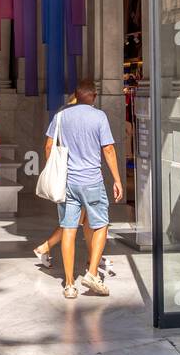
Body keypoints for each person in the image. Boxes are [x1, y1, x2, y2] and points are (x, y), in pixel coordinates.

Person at [43, 79, 123, 299]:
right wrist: (117, 179)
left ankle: (69, 285)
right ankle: (92, 273)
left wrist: (55, 169)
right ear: (94, 97)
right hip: (92, 181)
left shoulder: (60, 116)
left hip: (68, 181)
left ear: (76, 96)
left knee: (68, 229)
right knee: (101, 225)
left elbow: (49, 145)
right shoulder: (99, 117)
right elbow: (108, 149)